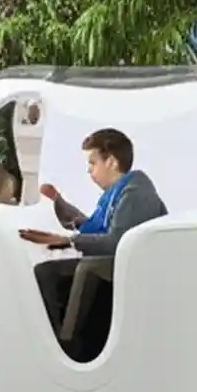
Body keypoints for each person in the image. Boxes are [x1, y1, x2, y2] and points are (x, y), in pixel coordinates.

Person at [18, 128, 168, 340]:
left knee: (49, 272)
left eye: (92, 163)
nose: (89, 171)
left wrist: (68, 240)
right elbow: (93, 226)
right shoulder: (117, 193)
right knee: (47, 268)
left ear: (112, 162)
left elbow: (117, 241)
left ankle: (65, 341)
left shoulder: (135, 193)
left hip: (130, 268)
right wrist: (58, 202)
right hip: (118, 262)